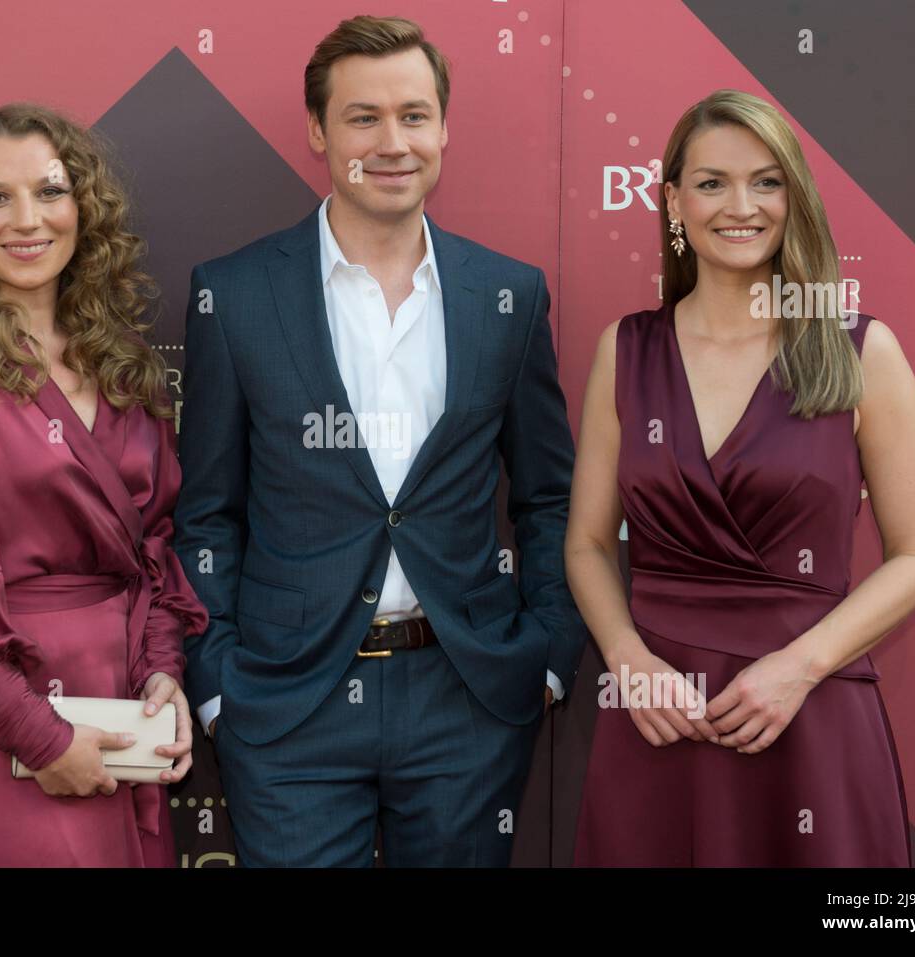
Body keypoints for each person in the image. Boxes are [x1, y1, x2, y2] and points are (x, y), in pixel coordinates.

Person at [174, 15, 588, 867]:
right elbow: (208, 512)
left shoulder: (507, 295)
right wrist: (217, 684)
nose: (392, 141)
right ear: (320, 132)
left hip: (465, 699)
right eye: (364, 117)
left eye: (414, 114)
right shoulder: (235, 293)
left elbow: (550, 498)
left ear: (444, 128)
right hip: (288, 705)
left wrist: (544, 659)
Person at [566, 90, 915, 866]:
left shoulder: (859, 350)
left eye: (766, 181)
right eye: (711, 183)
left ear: (794, 196)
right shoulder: (627, 350)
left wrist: (798, 667)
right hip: (658, 719)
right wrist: (628, 659)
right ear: (672, 201)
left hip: (810, 714)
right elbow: (586, 543)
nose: (741, 206)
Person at [0, 103, 208, 867]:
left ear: (83, 209)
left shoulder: (122, 363)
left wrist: (161, 672)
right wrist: (41, 736)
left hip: (120, 716)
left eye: (50, 192)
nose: (27, 219)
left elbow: (153, 547)